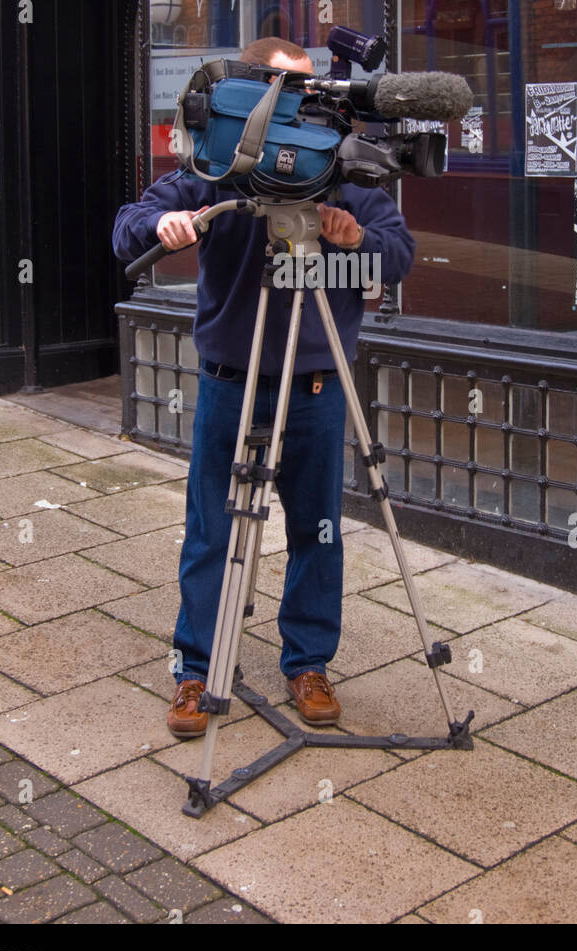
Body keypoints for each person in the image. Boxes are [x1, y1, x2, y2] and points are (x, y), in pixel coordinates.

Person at [112, 36, 415, 737]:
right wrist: (164, 223)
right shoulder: (219, 169)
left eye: (308, 92)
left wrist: (352, 241)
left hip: (314, 388)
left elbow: (398, 255)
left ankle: (308, 664)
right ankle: (196, 670)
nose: (298, 107)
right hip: (229, 381)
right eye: (280, 91)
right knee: (211, 530)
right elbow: (129, 229)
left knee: (317, 530)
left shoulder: (345, 175)